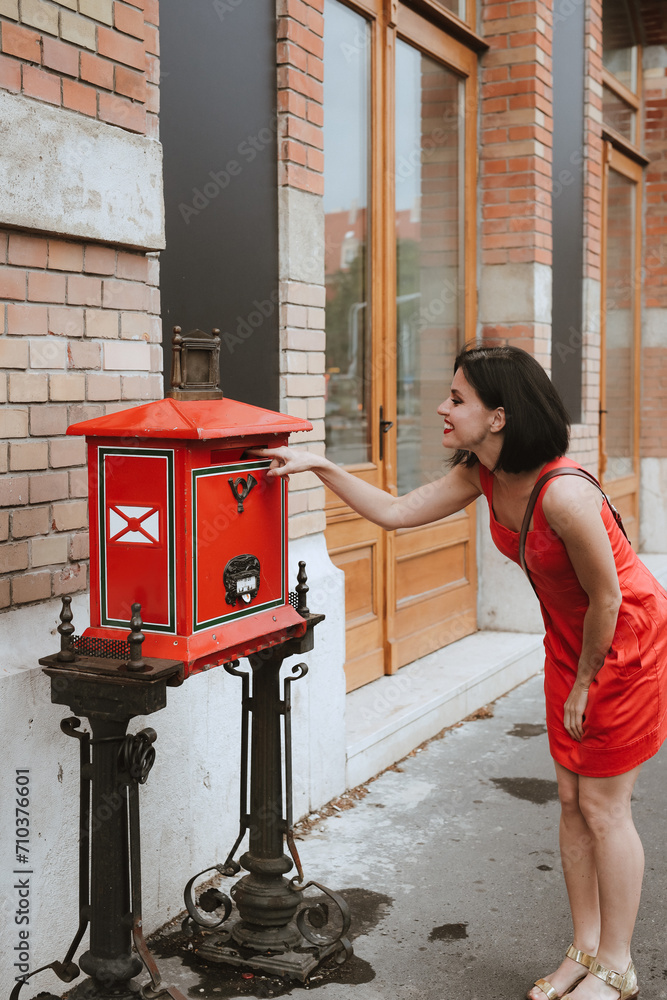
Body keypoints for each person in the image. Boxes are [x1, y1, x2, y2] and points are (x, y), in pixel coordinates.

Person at [254, 343, 667, 1000]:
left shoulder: (562, 495)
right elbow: (394, 512)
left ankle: (616, 966)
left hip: (621, 639)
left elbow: (610, 597)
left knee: (602, 807)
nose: (442, 409)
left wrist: (586, 684)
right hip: (571, 636)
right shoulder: (484, 474)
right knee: (568, 802)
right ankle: (583, 949)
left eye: (456, 399)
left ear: (498, 416)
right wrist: (320, 467)